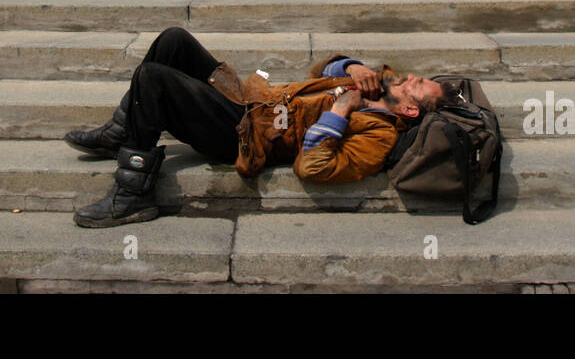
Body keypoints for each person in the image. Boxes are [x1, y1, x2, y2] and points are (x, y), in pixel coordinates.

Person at [68, 26, 445, 228]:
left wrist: (342, 109)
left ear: (411, 111)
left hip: (246, 135)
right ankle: (121, 131)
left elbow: (313, 167)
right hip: (250, 100)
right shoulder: (376, 85)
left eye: (418, 84)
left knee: (153, 78)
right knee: (174, 40)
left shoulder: (379, 135)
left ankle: (132, 194)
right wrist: (350, 67)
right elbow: (318, 73)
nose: (411, 76)